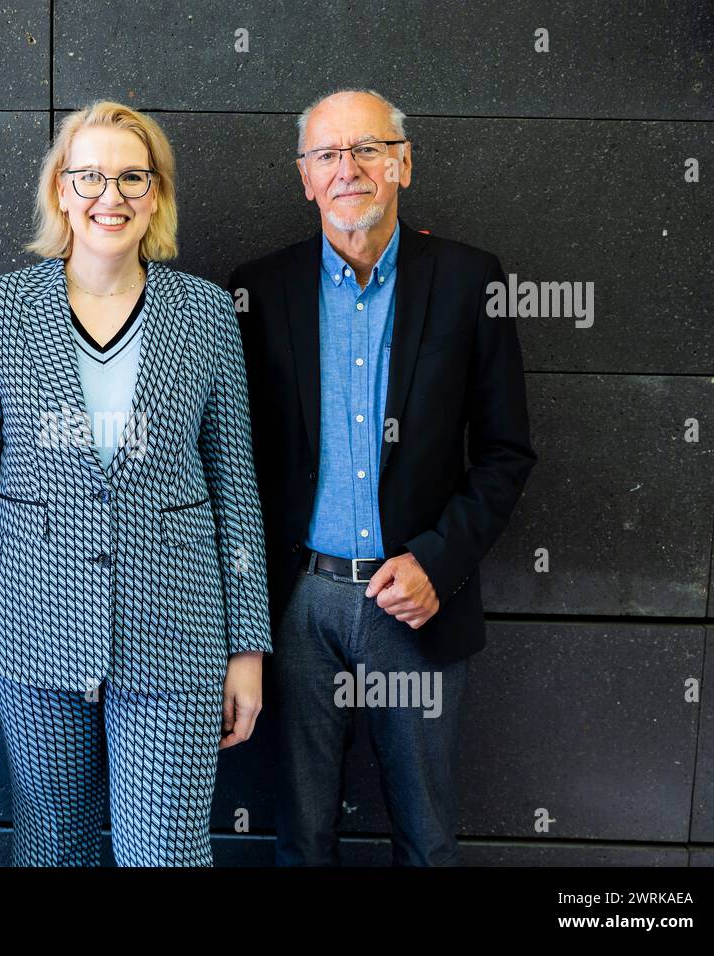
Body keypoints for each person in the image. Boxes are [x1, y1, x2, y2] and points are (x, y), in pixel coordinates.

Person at [0, 100, 271, 866]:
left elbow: (236, 486)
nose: (108, 196)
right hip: (31, 628)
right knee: (54, 847)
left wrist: (247, 648)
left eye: (130, 177)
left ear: (156, 195)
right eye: (88, 176)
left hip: (177, 632)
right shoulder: (4, 309)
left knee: (166, 853)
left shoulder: (207, 313)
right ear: (60, 189)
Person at [228, 89, 536, 865]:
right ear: (305, 177)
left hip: (417, 600)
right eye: (327, 155)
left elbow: (505, 452)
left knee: (427, 836)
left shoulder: (470, 280)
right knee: (301, 837)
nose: (348, 169)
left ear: (402, 162)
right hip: (297, 604)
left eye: (367, 149)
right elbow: (233, 460)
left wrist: (437, 560)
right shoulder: (257, 290)